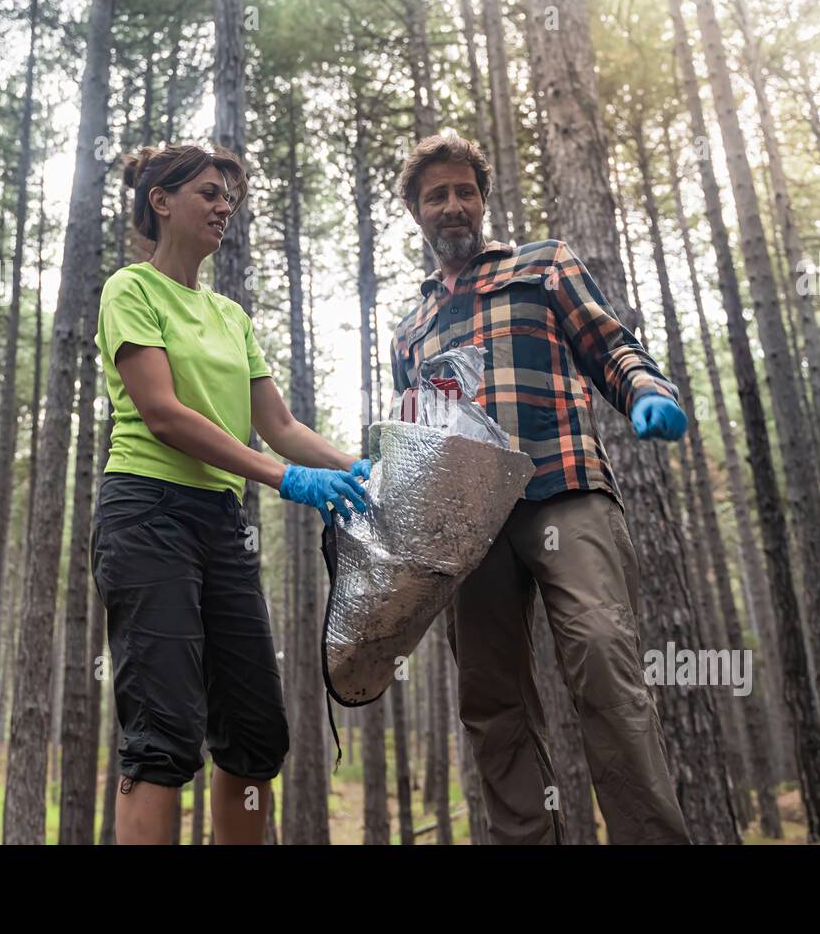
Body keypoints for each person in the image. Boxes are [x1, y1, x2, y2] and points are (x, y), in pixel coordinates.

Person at [391, 134, 692, 844]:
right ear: (416, 212)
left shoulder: (543, 263)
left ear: (483, 199)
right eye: (437, 195)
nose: (454, 205)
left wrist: (646, 391)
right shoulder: (411, 329)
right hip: (468, 527)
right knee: (493, 702)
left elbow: (612, 344)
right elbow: (417, 435)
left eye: (466, 190)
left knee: (602, 660)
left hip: (565, 485)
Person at [92, 143, 369, 844]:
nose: (224, 209)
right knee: (164, 732)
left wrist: (359, 467)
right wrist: (283, 479)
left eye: (230, 200)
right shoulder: (132, 289)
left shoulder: (231, 317)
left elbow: (277, 425)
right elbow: (163, 413)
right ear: (162, 200)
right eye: (210, 194)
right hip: (146, 514)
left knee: (254, 729)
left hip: (221, 524)